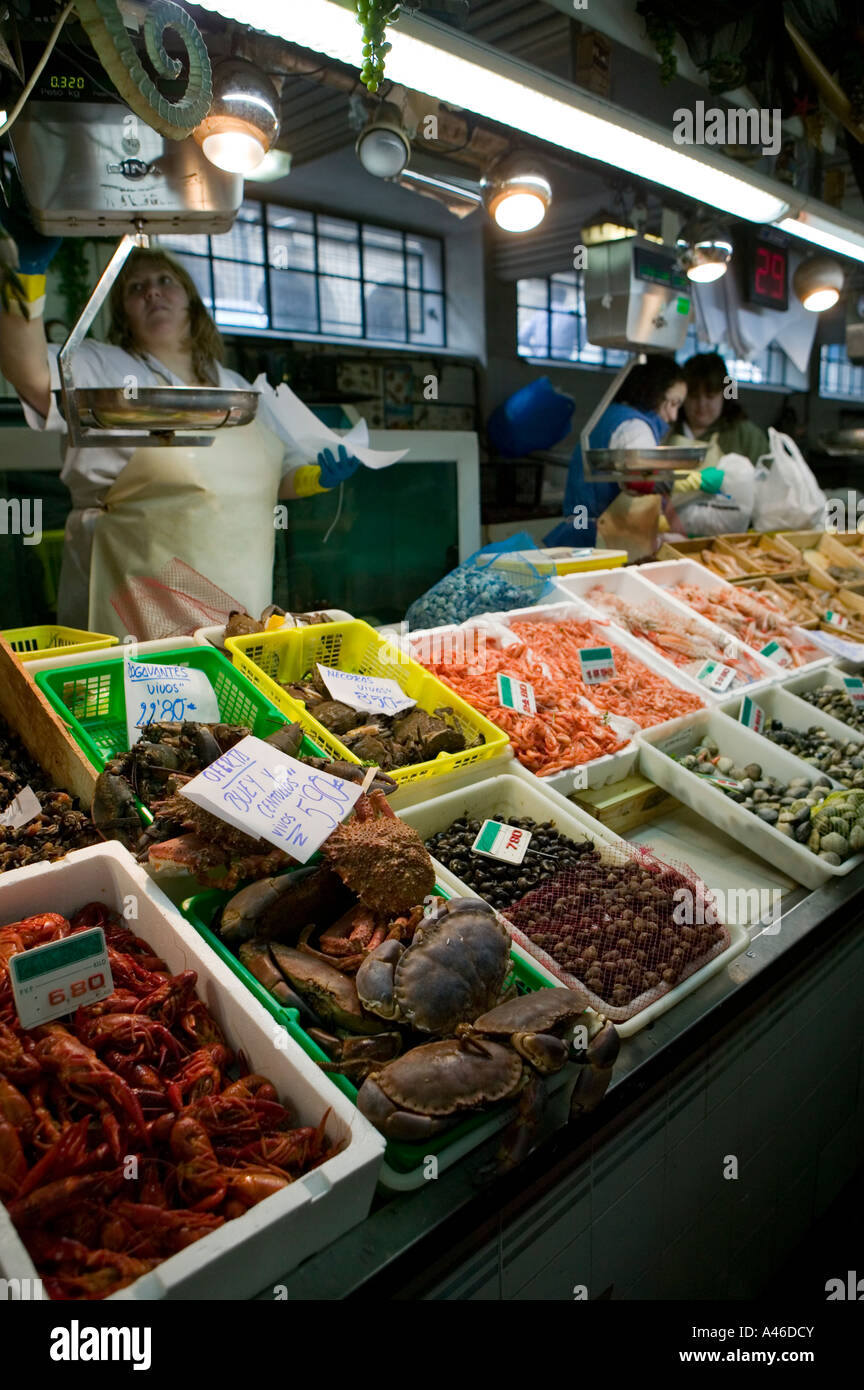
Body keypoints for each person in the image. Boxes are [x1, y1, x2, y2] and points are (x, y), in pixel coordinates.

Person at [0, 198, 361, 637]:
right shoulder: (102, 363)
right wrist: (23, 277)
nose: (151, 291)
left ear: (191, 303)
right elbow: (30, 376)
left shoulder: (234, 383)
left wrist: (313, 479)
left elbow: (266, 483)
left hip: (233, 579)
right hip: (134, 580)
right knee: (134, 691)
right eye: (135, 288)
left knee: (225, 684)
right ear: (123, 313)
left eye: (164, 280)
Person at [544, 355, 687, 547]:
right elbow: (638, 481)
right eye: (673, 403)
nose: (673, 415)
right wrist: (685, 482)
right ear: (653, 392)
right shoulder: (635, 428)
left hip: (579, 530)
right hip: (597, 541)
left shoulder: (612, 416)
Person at [679, 351, 769, 465]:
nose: (701, 404)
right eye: (694, 396)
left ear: (724, 394)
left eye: (710, 396)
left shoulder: (745, 435)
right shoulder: (668, 428)